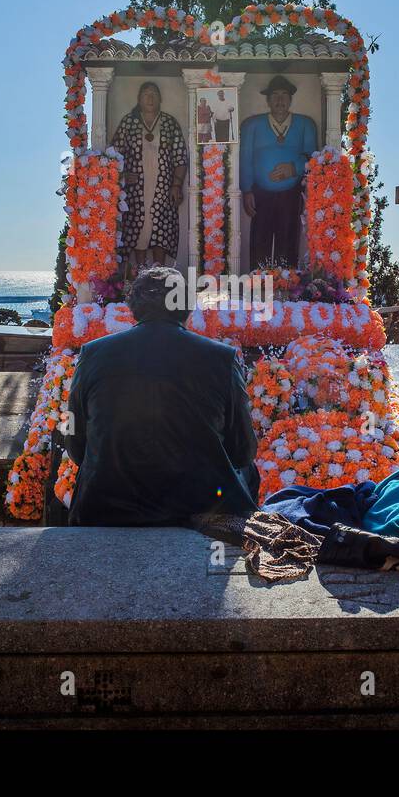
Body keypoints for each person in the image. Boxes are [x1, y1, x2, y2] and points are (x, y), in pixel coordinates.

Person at [65, 267, 260, 526]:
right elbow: (243, 451)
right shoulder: (221, 358)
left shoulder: (92, 354)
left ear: (133, 308)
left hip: (104, 506)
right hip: (200, 507)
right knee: (249, 472)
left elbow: (76, 444)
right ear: (188, 308)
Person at [239, 75, 317, 270]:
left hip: (291, 194)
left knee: (288, 240)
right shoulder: (252, 126)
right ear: (268, 99)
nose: (280, 100)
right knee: (260, 241)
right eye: (275, 95)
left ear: (290, 99)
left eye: (284, 95)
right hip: (260, 194)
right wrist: (246, 190)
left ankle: (288, 289)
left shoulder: (305, 125)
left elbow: (313, 157)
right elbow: (245, 159)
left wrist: (293, 168)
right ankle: (258, 289)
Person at [110, 82, 188, 276]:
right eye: (146, 94)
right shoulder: (129, 122)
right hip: (135, 189)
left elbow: (180, 157)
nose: (150, 98)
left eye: (154, 94)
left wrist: (177, 185)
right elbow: (113, 156)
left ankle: (159, 274)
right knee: (138, 229)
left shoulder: (169, 123)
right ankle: (139, 275)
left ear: (160, 99)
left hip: (162, 187)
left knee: (160, 227)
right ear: (139, 99)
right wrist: (122, 176)